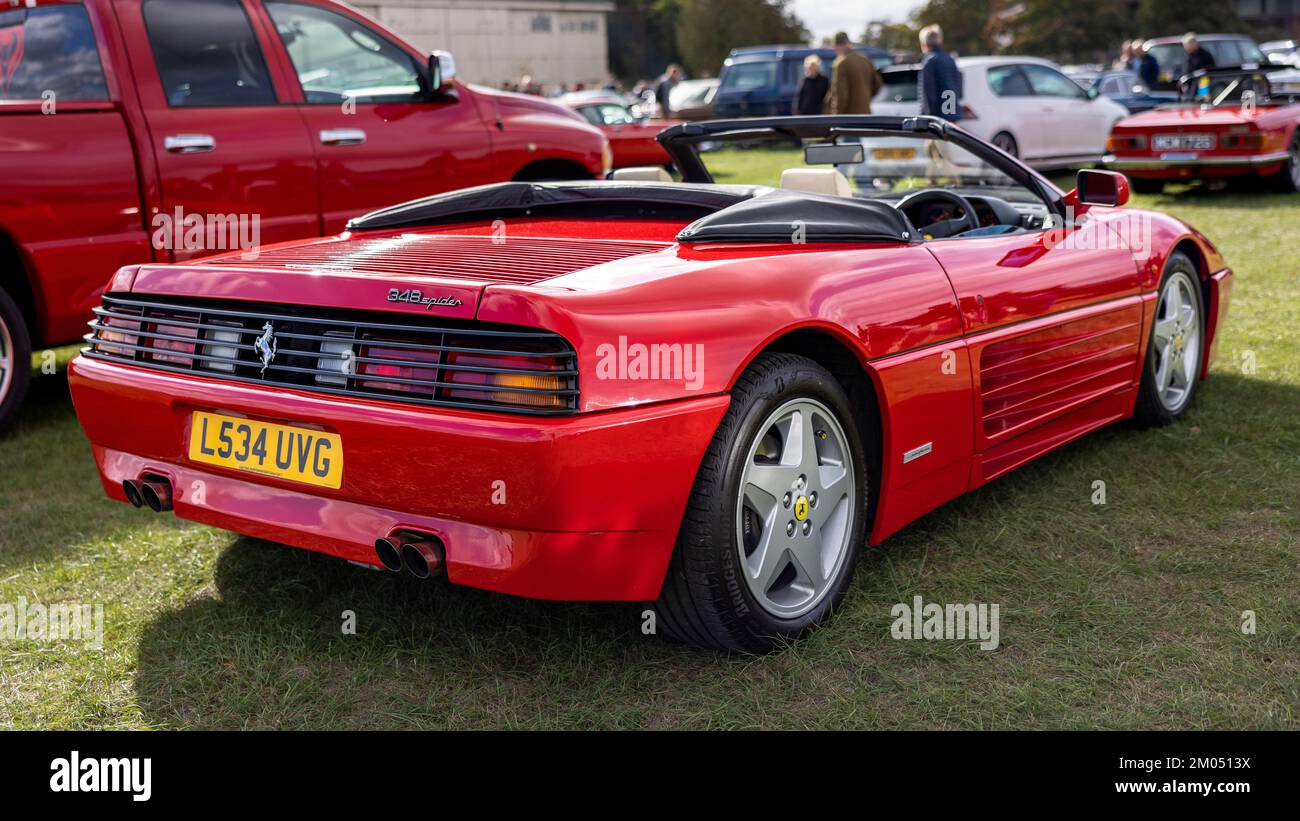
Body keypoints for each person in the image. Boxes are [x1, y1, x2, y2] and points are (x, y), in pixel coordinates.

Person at [826, 31, 881, 115]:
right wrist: (865, 98)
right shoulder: (865, 59)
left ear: (836, 46)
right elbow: (877, 84)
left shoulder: (841, 63)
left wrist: (836, 116)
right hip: (866, 114)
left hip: (848, 118)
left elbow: (840, 94)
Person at [918, 24, 962, 121]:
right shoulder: (950, 59)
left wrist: (926, 117)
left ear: (924, 43)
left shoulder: (929, 61)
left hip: (937, 119)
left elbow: (928, 93)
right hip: (952, 114)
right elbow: (957, 87)